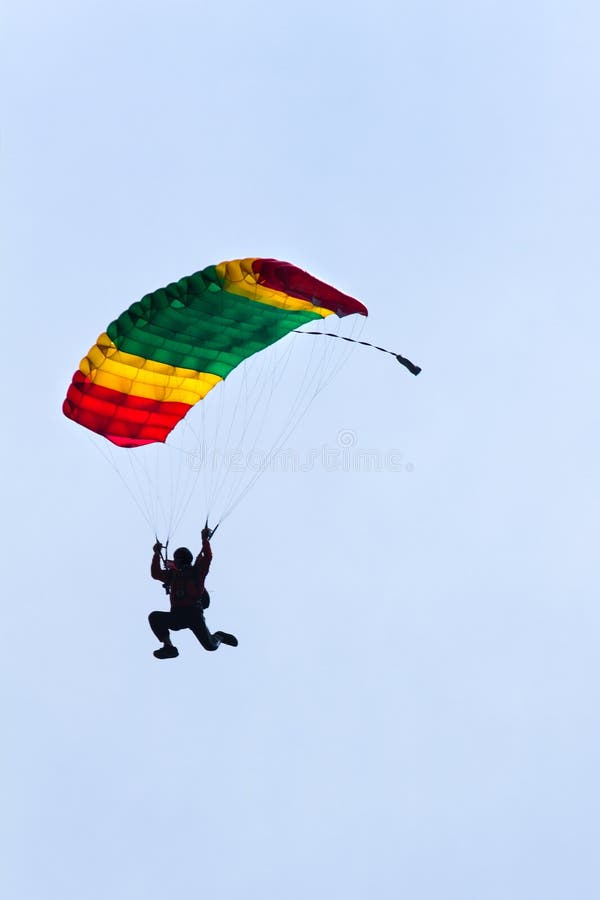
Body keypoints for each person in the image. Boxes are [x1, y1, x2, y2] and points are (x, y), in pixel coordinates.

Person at [149, 526, 238, 659]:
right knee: (154, 617)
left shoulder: (197, 571)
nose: (176, 561)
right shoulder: (173, 575)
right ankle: (169, 647)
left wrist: (205, 540)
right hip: (178, 615)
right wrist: (156, 554)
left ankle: (219, 636)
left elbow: (207, 557)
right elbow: (155, 574)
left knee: (210, 646)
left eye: (177, 559)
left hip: (193, 615)